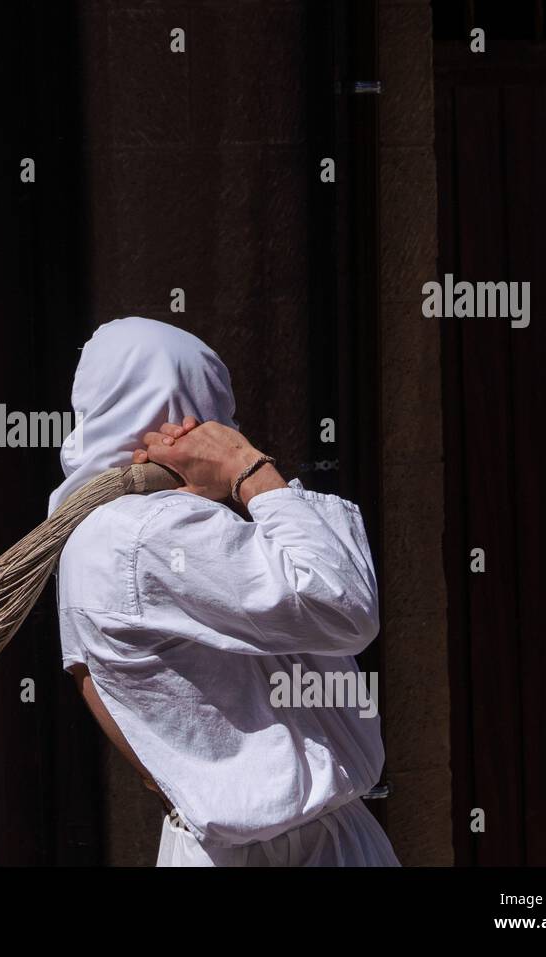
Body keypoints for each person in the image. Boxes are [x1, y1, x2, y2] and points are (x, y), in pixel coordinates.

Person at [51, 316, 400, 866]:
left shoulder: (105, 531)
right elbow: (345, 605)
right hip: (290, 852)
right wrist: (249, 470)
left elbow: (90, 681)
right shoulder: (145, 532)